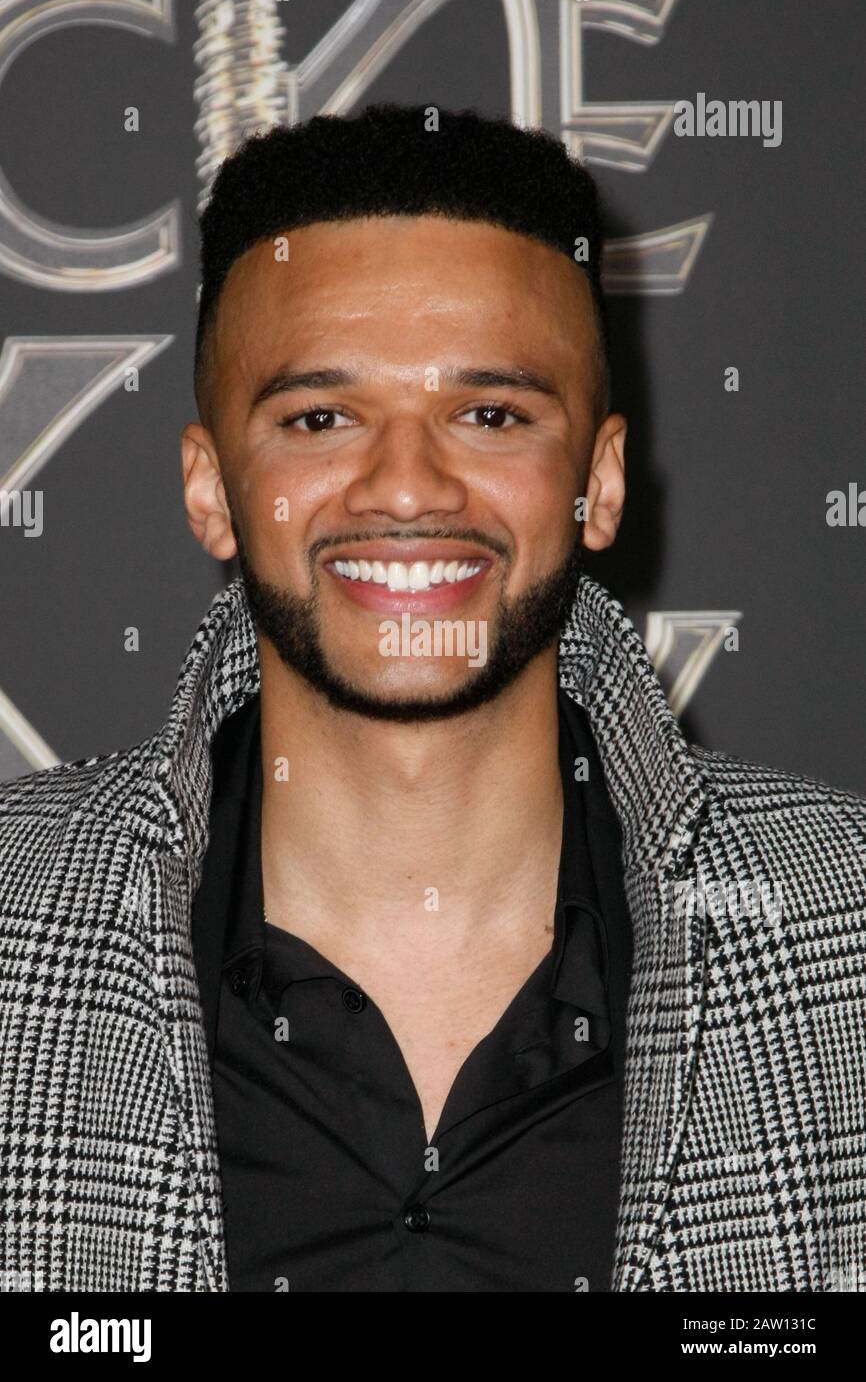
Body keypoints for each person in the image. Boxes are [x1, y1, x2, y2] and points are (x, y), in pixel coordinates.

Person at [1, 104, 863, 1294]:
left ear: (597, 483)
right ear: (210, 489)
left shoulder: (841, 936)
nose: (405, 485)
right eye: (319, 416)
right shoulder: (14, 926)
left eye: (489, 414)